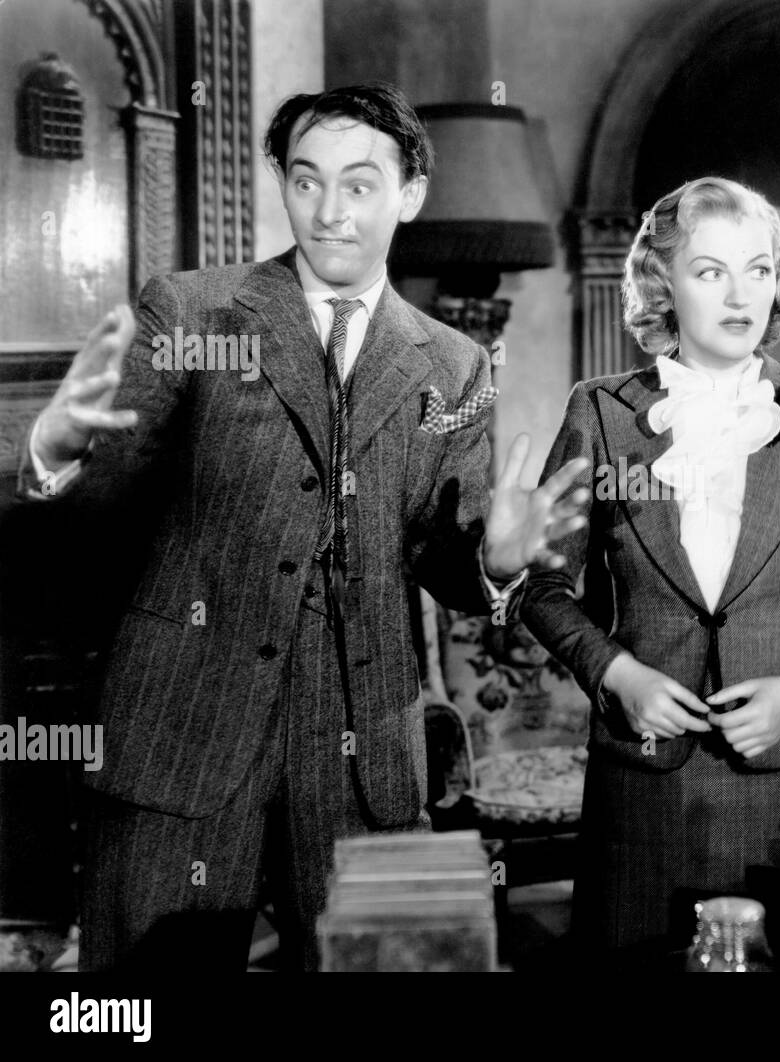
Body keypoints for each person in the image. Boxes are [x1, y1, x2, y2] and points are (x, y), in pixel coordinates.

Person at [15, 82, 588, 971]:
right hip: (184, 732)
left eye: (360, 184)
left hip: (365, 759)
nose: (330, 212)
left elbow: (449, 557)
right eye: (307, 180)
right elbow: (98, 529)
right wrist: (55, 455)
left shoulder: (456, 361)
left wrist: (498, 564)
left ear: (410, 193)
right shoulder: (193, 312)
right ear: (280, 180)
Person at [522, 177, 780, 964]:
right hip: (643, 783)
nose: (742, 296)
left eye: (760, 270)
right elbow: (540, 586)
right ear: (663, 285)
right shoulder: (601, 413)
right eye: (710, 272)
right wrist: (619, 675)